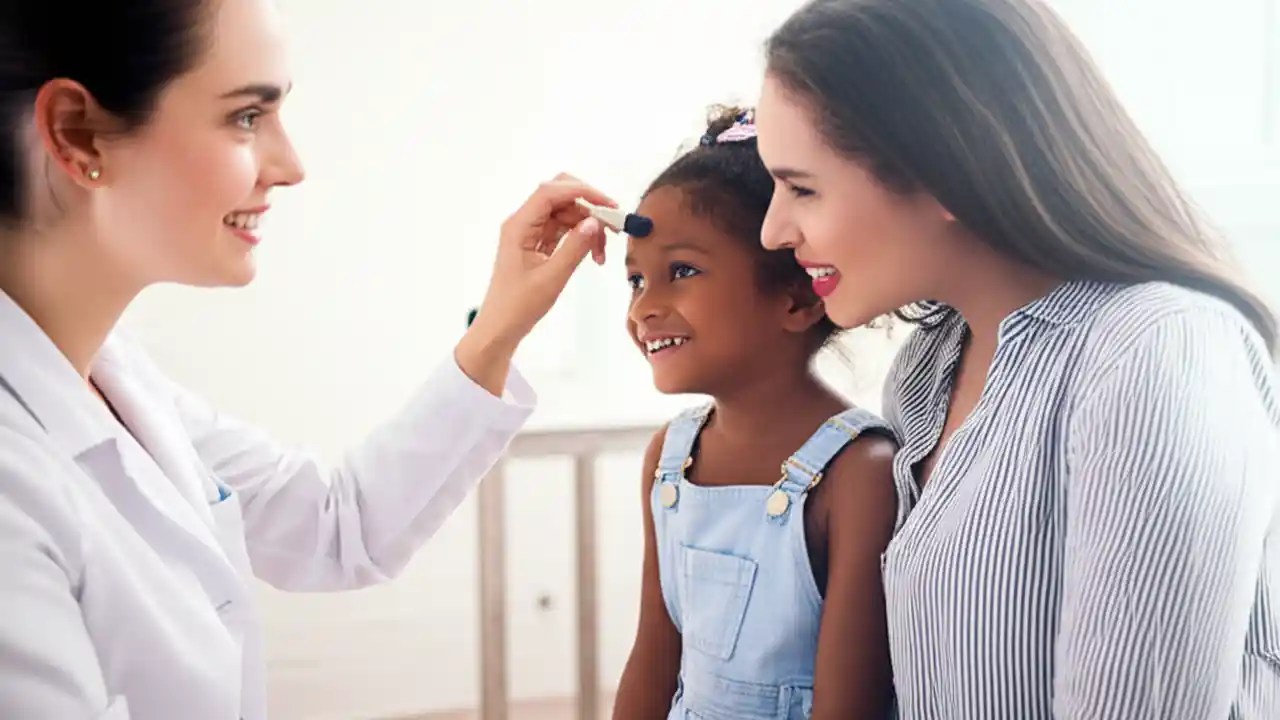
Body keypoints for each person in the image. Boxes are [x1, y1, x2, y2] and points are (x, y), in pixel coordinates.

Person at [0, 1, 615, 718]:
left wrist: (499, 327)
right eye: (246, 118)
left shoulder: (113, 378)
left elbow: (335, 528)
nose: (291, 167)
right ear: (79, 135)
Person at [753, 0, 1280, 717]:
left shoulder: (1157, 350)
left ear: (939, 167)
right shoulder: (928, 365)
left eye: (802, 188)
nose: (773, 229)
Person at [611, 107, 898, 720]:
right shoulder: (667, 459)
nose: (644, 309)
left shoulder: (861, 473)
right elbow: (653, 660)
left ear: (796, 297)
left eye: (680, 271)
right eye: (635, 280)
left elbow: (852, 705)